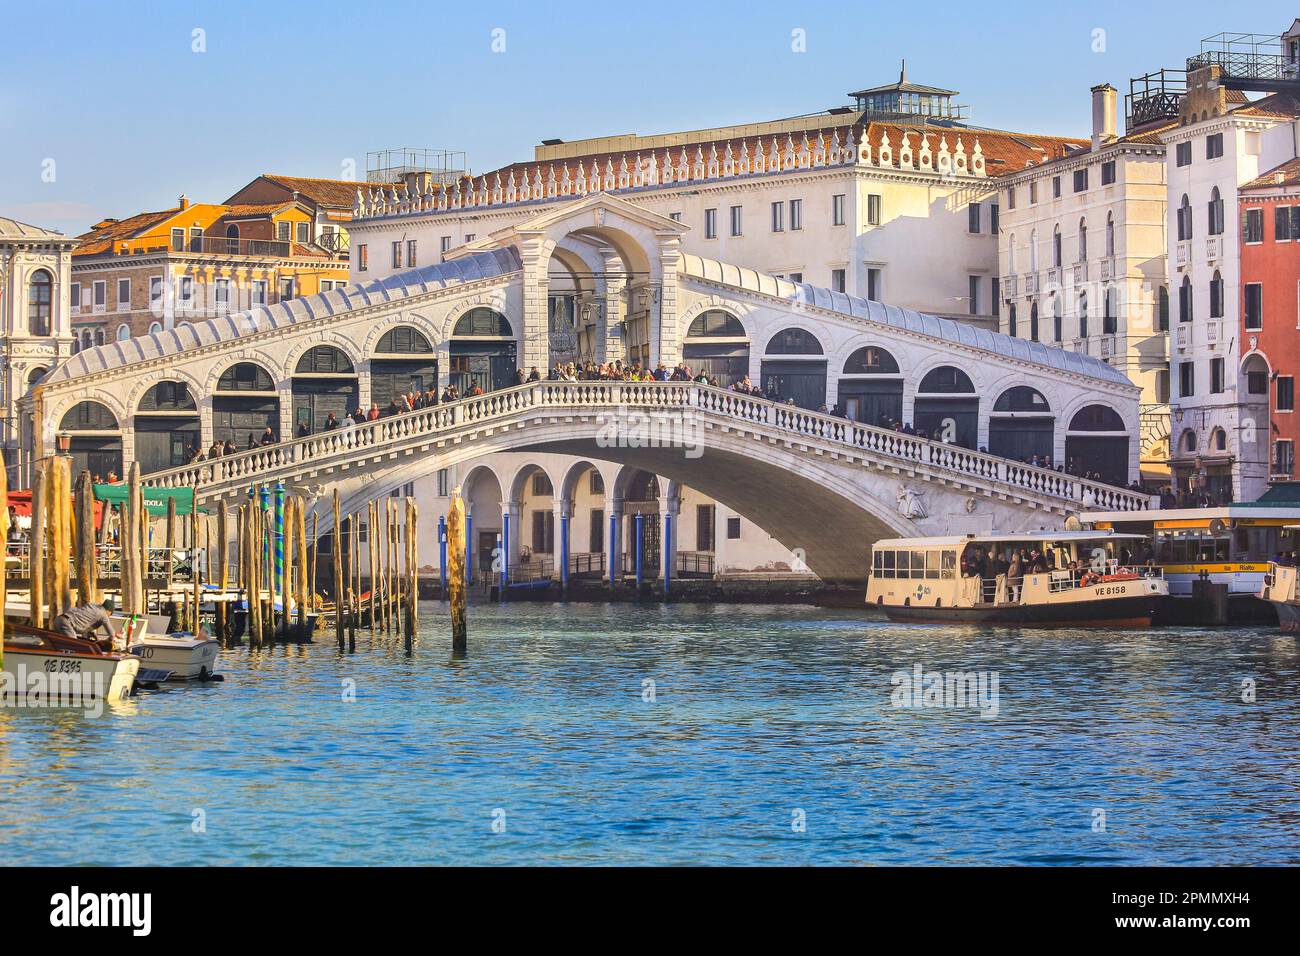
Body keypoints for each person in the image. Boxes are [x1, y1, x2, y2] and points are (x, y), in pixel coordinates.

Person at [51, 595, 118, 645]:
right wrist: (106, 641)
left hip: (58, 620)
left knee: (60, 645)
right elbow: (112, 634)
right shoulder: (104, 615)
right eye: (110, 614)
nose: (109, 616)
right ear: (109, 611)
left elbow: (84, 621)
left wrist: (95, 637)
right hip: (67, 624)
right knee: (74, 646)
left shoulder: (93, 606)